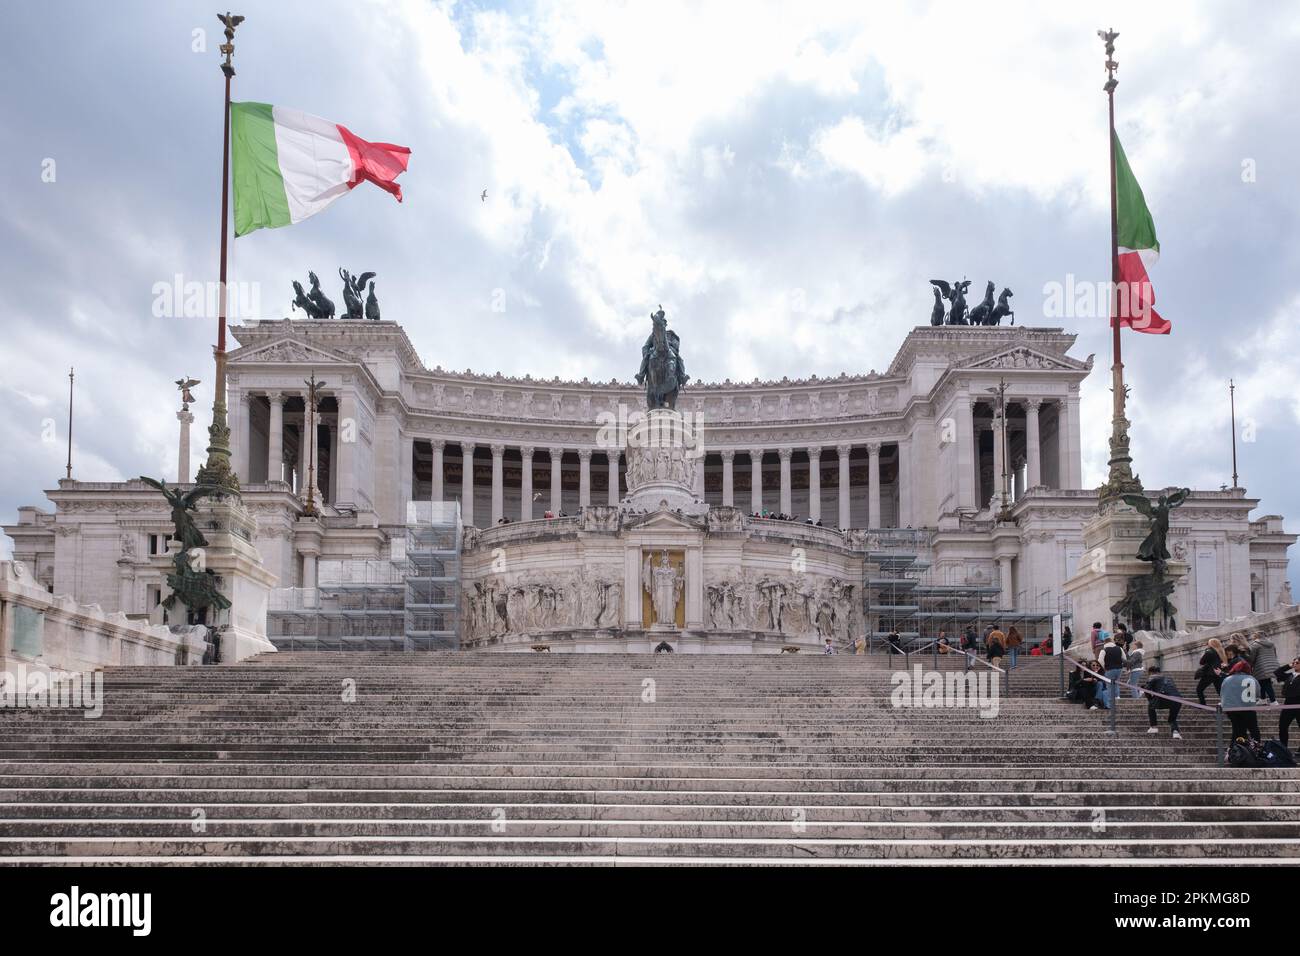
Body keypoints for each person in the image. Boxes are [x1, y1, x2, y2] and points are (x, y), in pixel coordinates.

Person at [1220, 659, 1262, 744]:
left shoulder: (1228, 679)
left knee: (1237, 730)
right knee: (1253, 730)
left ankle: (1236, 749)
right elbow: (1258, 694)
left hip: (1231, 709)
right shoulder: (1252, 679)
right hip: (1248, 708)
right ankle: (1256, 748)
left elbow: (1222, 693)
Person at [1144, 666, 1183, 739]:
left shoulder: (1152, 677)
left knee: (1150, 706)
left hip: (1165, 698)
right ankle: (1175, 732)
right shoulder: (1168, 678)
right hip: (1178, 699)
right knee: (1172, 718)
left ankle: (1154, 727)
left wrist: (1151, 700)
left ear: (1150, 672)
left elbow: (1146, 690)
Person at [1275, 658, 1300, 750]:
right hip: (1288, 703)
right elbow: (1277, 672)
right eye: (1294, 662)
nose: (1294, 664)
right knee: (1282, 726)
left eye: (1297, 663)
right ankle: (1283, 747)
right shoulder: (1290, 675)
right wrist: (1288, 666)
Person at [1099, 631, 1127, 710]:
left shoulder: (1104, 650)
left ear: (1104, 642)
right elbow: (1124, 658)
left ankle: (1110, 704)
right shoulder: (1119, 648)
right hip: (1119, 668)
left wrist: (1104, 667)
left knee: (1109, 686)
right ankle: (1117, 697)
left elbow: (1100, 660)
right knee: (1116, 683)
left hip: (1109, 669)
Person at [1250, 632, 1280, 704]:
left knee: (1266, 683)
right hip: (1272, 664)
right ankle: (1262, 699)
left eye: (1253, 636)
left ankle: (1273, 701)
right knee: (1262, 681)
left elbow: (1252, 657)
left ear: (1256, 636)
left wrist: (1250, 665)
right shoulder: (1272, 644)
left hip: (1261, 666)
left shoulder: (1255, 645)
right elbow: (1275, 655)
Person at [1195, 638, 1227, 706]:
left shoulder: (1209, 651)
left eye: (1208, 643)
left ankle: (1202, 704)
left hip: (1209, 674)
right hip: (1218, 673)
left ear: (1211, 644)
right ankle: (1226, 703)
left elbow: (1201, 662)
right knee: (1219, 691)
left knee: (1199, 689)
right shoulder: (1221, 651)